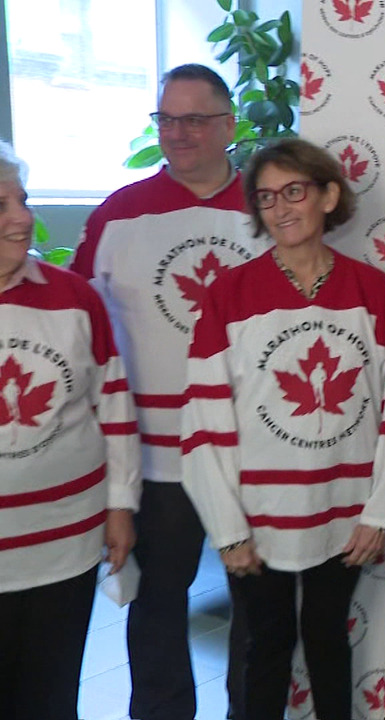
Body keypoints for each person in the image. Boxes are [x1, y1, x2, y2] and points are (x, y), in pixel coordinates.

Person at [181, 138, 385, 720]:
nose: (281, 208)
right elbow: (203, 422)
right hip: (258, 517)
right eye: (266, 198)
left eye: (294, 191)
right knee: (265, 648)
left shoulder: (373, 291)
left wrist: (382, 512)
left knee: (329, 641)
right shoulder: (228, 296)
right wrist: (227, 529)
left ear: (328, 196)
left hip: (346, 511)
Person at [69, 63, 263, 719]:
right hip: (156, 457)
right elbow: (81, 328)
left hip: (251, 451)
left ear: (229, 126)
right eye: (166, 119)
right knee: (156, 608)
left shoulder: (269, 210)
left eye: (194, 120)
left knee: (257, 609)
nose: (177, 133)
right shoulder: (118, 215)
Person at [0, 140, 141, 719]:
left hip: (66, 542)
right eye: (2, 205)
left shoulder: (76, 298)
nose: (22, 217)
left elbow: (116, 407)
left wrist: (120, 507)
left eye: (23, 200)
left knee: (52, 697)